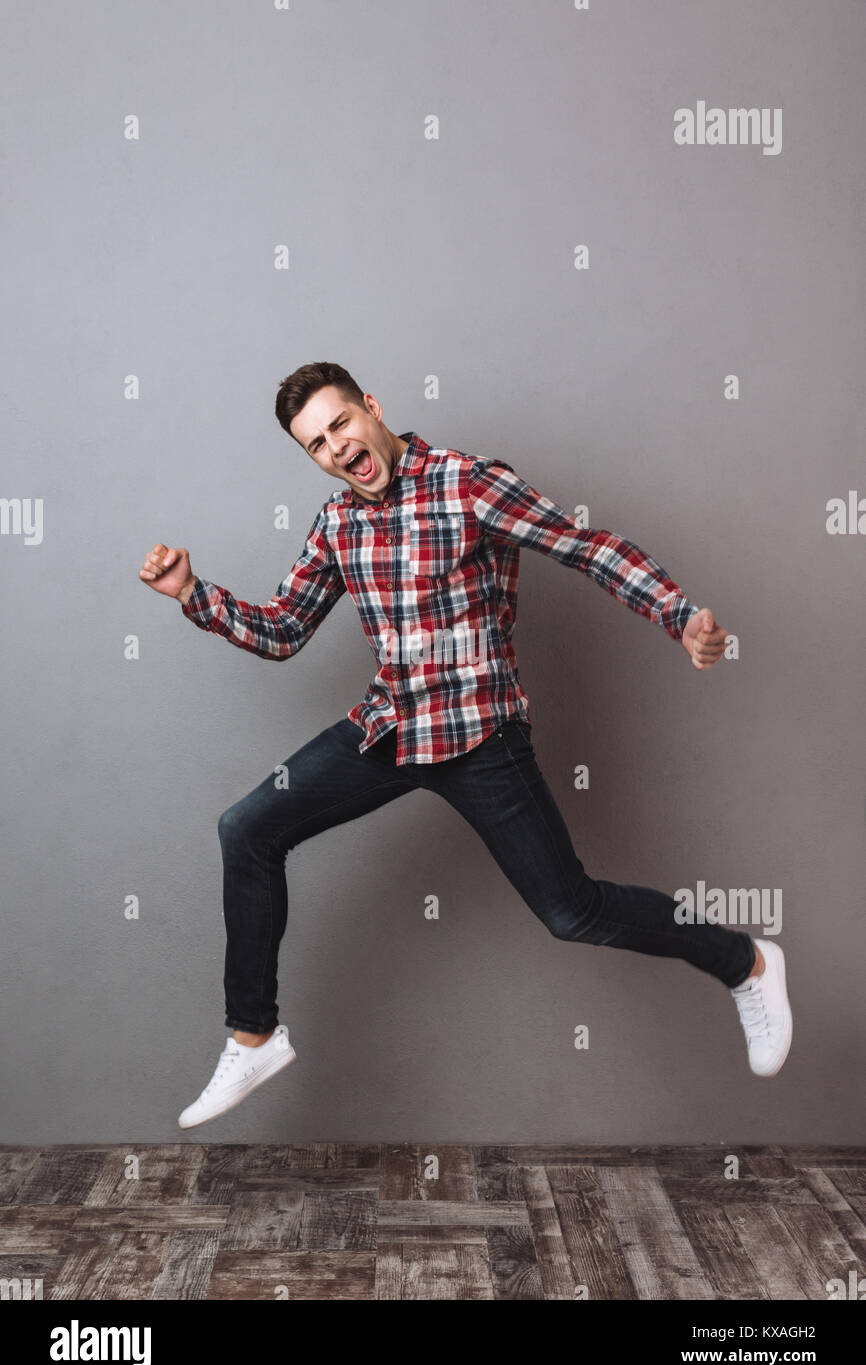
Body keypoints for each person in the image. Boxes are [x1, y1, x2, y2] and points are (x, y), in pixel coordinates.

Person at [138, 362, 792, 1128]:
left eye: (341, 424)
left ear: (372, 409)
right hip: (391, 727)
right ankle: (253, 1035)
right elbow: (284, 630)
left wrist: (679, 618)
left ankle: (744, 962)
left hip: (481, 733)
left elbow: (586, 547)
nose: (336, 448)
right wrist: (192, 593)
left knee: (571, 912)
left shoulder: (466, 483)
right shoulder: (339, 523)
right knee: (246, 828)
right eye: (316, 444)